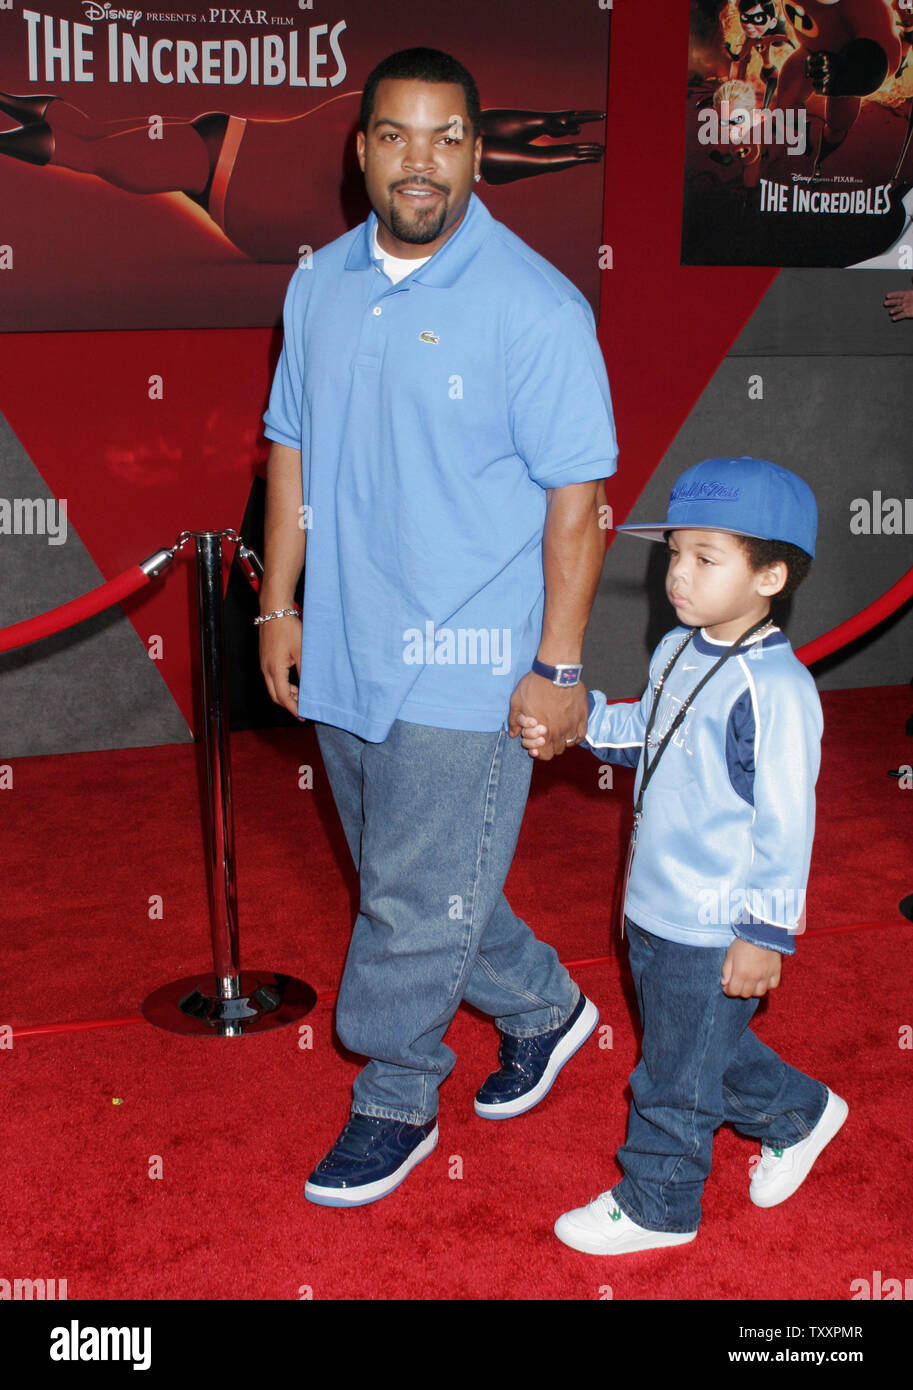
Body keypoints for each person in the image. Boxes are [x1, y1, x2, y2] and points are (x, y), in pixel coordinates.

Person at [257, 47, 617, 1207]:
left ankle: (396, 1093)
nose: (422, 163)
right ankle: (546, 1006)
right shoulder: (317, 285)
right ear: (359, 151)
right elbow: (291, 446)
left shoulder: (537, 306)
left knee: (413, 899)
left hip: (472, 661)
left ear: (477, 151)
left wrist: (559, 665)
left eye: (447, 137)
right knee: (414, 880)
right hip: (349, 650)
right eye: (397, 137)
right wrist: (278, 601)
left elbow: (578, 507)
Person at [519, 456, 847, 1254]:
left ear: (769, 575)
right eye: (674, 553)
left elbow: (784, 825)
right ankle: (800, 1112)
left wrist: (763, 933)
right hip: (652, 904)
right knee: (695, 1043)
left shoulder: (775, 690)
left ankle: (659, 1203)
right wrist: (579, 724)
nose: (678, 574)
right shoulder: (678, 650)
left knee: (671, 1073)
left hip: (714, 919)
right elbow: (649, 733)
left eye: (706, 558)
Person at [0, 88, 603, 261]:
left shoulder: (365, 125)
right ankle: (563, 127)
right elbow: (469, 135)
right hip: (243, 177)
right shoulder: (368, 121)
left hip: (243, 180)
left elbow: (471, 138)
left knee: (89, 147)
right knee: (91, 140)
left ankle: (564, 135)